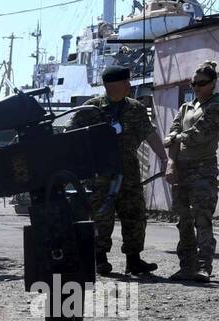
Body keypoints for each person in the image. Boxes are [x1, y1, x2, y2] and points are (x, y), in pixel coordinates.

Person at [69, 65, 168, 276]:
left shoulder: (135, 108)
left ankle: (134, 261)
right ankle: (99, 260)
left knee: (135, 215)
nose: (129, 86)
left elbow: (149, 134)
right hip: (99, 175)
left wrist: (163, 157)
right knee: (100, 217)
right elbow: (70, 136)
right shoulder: (90, 109)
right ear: (113, 86)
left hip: (129, 173)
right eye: (126, 83)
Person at [164, 60, 219, 282]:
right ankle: (187, 265)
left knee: (202, 219)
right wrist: (171, 163)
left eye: (201, 83)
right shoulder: (186, 107)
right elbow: (172, 133)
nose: (196, 87)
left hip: (203, 169)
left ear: (213, 83)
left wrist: (175, 137)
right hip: (182, 169)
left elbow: (199, 134)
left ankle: (203, 266)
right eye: (193, 83)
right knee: (183, 220)